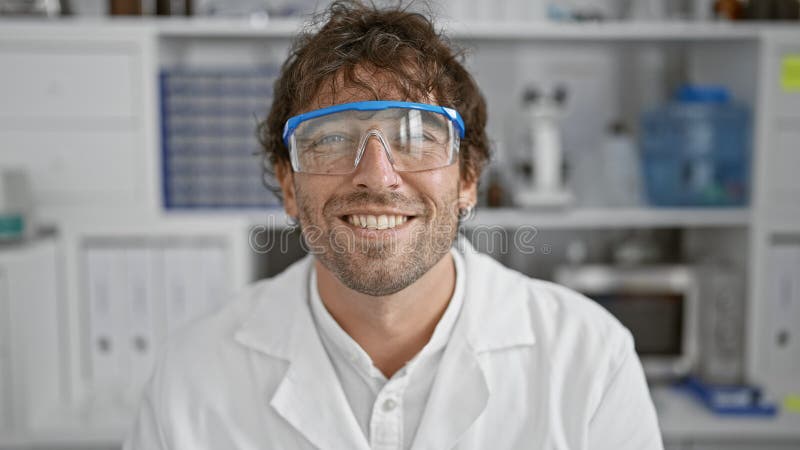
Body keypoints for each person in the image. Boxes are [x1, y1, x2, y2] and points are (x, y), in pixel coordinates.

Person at [124, 1, 663, 449]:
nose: (377, 176)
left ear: (468, 179)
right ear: (288, 186)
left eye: (418, 135)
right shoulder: (191, 379)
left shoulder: (589, 360)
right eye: (332, 138)